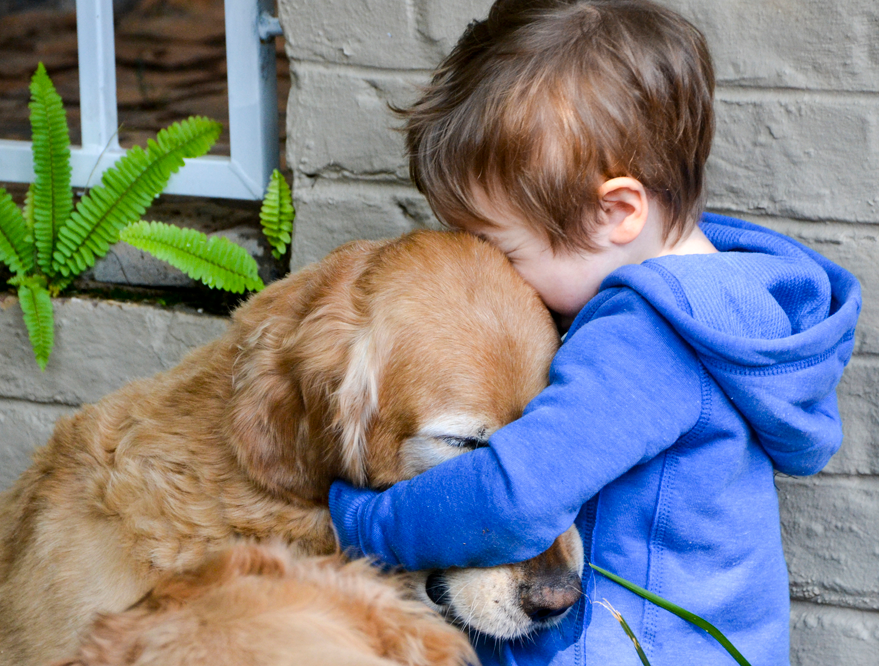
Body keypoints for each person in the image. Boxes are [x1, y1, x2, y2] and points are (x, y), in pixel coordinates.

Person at [326, 1, 862, 664]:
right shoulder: (724, 304)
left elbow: (513, 496)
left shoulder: (647, 342)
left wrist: (361, 523)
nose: (495, 274)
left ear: (617, 212)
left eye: (502, 249)